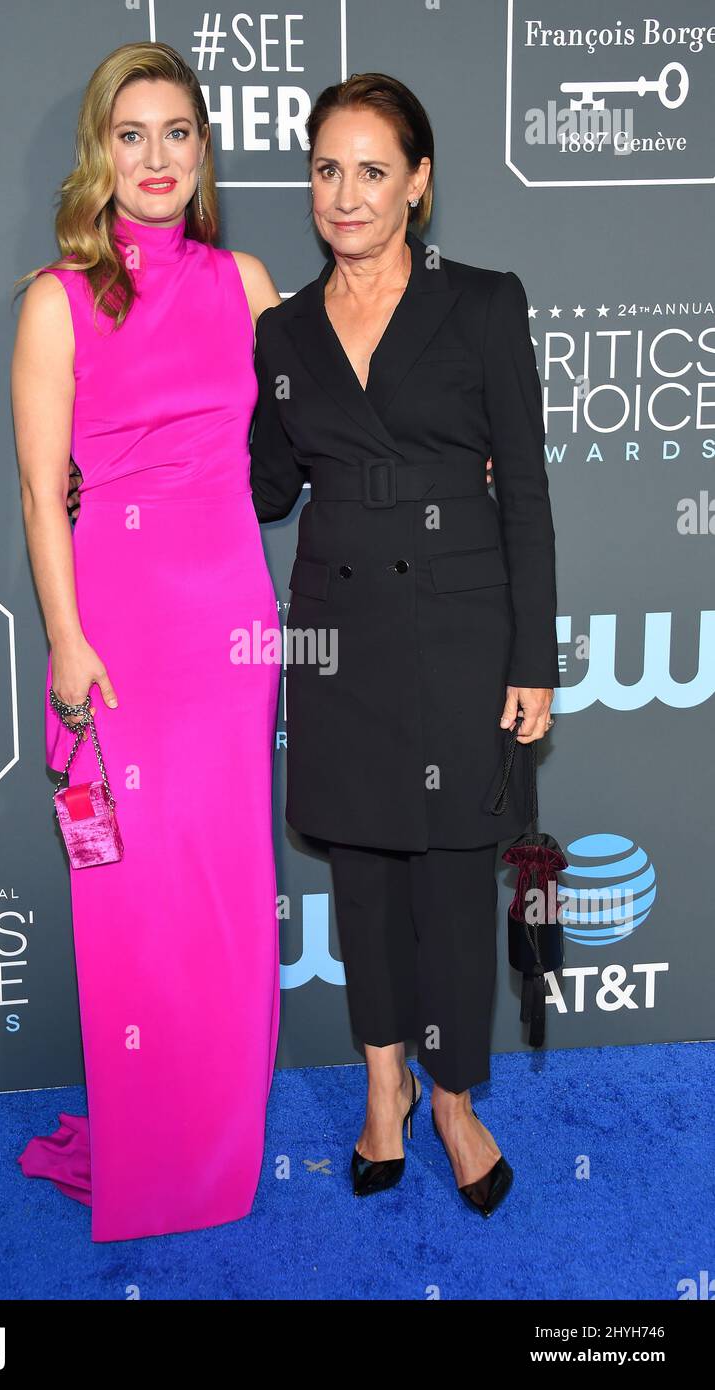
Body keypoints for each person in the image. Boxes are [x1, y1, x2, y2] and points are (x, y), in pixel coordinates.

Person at [250, 73, 559, 1216]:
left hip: (463, 630)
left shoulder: (482, 303)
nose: (347, 193)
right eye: (327, 168)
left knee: (455, 875)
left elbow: (524, 490)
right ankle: (383, 1089)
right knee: (368, 877)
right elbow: (261, 482)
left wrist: (534, 659)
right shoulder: (280, 330)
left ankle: (454, 1098)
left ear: (418, 185)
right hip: (339, 637)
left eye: (373, 169)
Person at [11, 41, 282, 1241]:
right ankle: (145, 1146)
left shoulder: (251, 281)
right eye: (133, 135)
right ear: (100, 155)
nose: (157, 157)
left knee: (225, 897)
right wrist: (66, 639)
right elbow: (36, 493)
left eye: (178, 133)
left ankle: (213, 1152)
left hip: (232, 632)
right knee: (130, 904)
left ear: (202, 151)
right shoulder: (55, 301)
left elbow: (326, 422)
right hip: (116, 639)